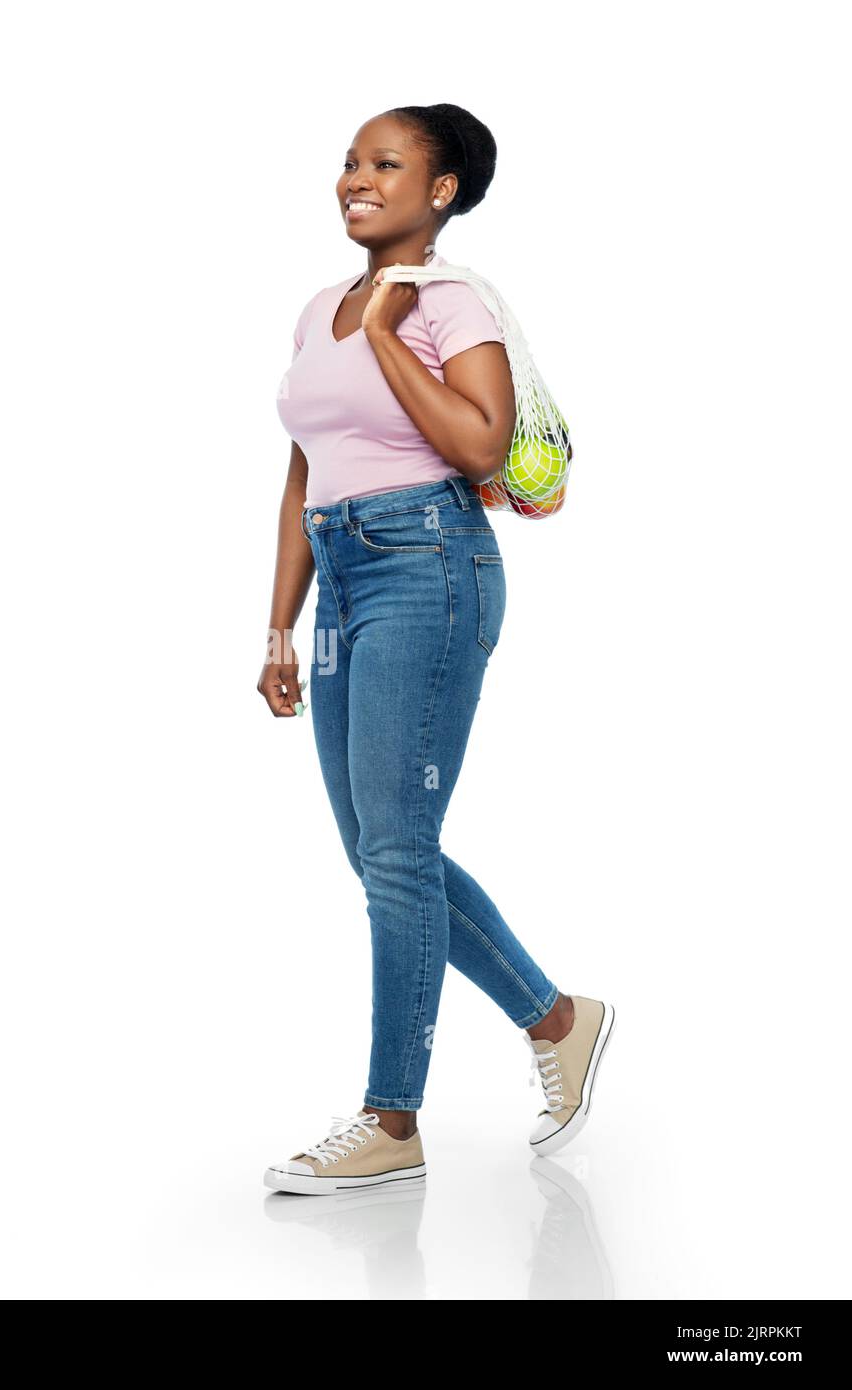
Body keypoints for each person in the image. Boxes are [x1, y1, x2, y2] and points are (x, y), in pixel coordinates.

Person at [257, 103, 615, 1196]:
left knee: (398, 852)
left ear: (442, 188)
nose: (356, 178)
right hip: (344, 578)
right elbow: (304, 470)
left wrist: (385, 334)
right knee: (382, 851)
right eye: (350, 162)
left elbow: (479, 442)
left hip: (430, 568)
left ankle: (391, 1118)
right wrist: (279, 622)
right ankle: (559, 1019)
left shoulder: (451, 303)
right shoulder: (320, 306)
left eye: (386, 163)